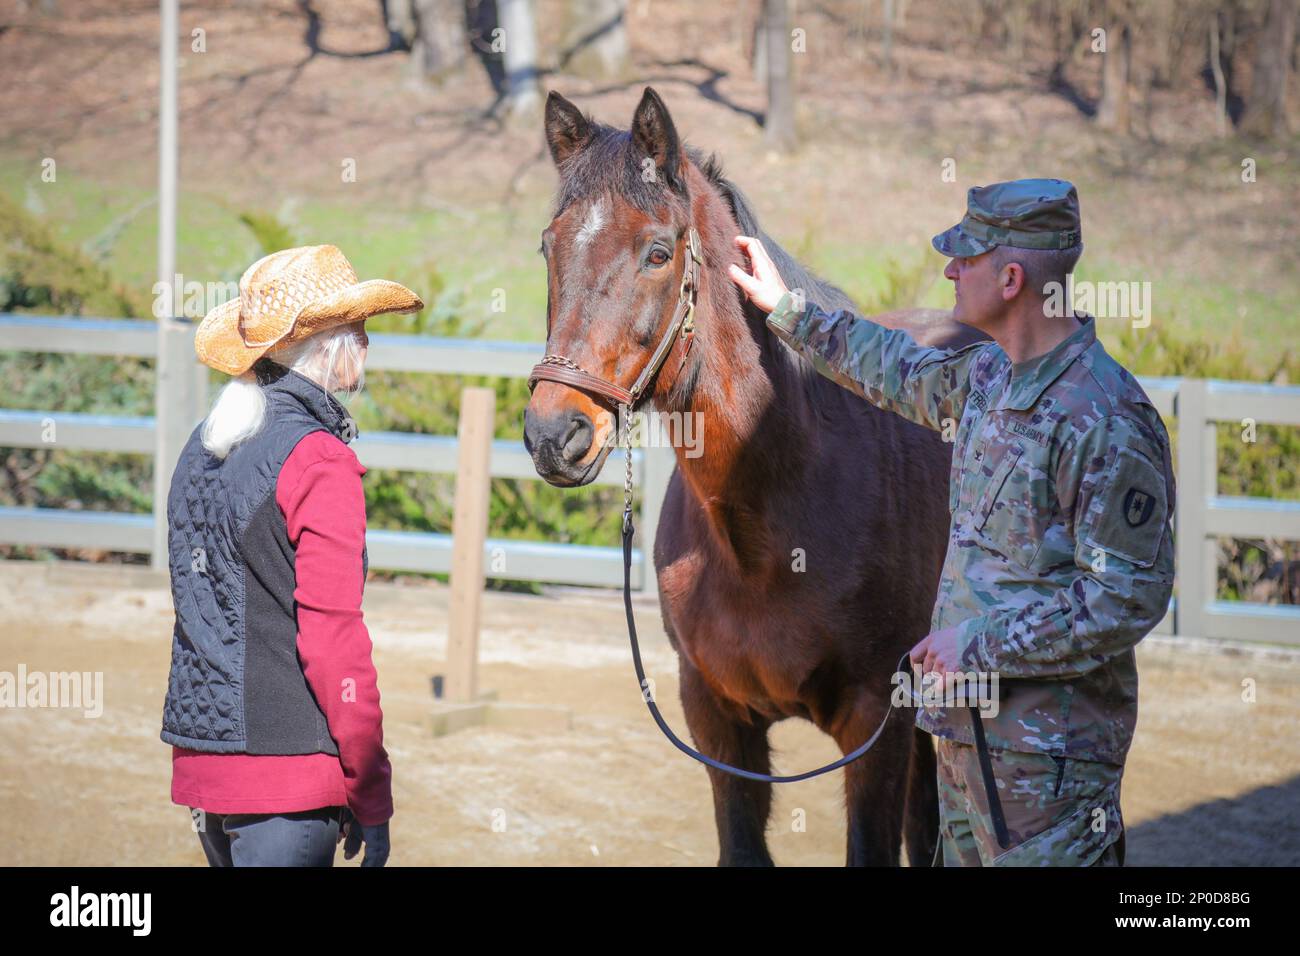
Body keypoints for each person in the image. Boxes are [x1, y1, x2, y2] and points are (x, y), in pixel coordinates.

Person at [729, 179, 1175, 866]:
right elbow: (894, 367)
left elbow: (1126, 599)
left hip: (1048, 771)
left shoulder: (1108, 420)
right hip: (965, 750)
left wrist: (981, 644)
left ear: (1013, 277)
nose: (949, 270)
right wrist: (786, 308)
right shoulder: (993, 378)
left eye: (966, 258)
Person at [161, 244, 422, 866]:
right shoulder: (319, 459)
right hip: (287, 776)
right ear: (325, 342)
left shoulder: (203, 446)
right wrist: (371, 788)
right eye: (357, 328)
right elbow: (334, 640)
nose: (366, 341)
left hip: (210, 768)